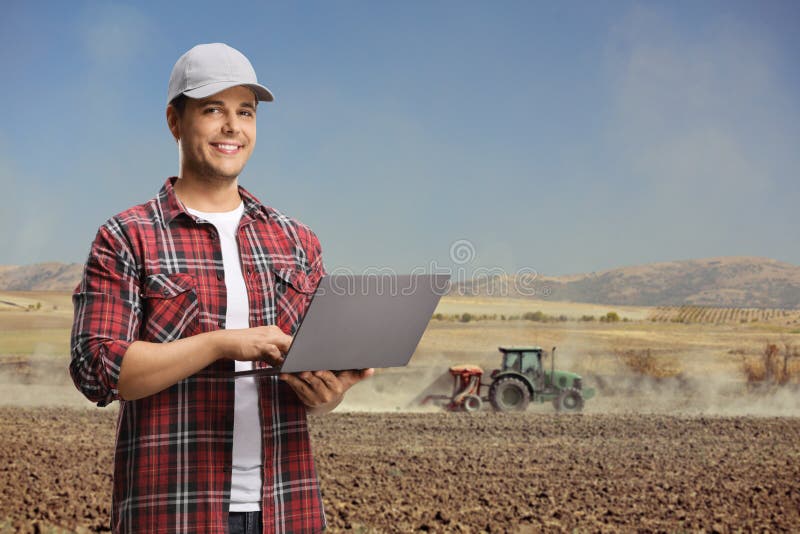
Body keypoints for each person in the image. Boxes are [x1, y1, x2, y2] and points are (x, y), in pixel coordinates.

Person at [69, 42, 373, 533]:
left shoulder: (296, 240)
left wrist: (327, 392)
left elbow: (315, 391)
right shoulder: (127, 236)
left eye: (245, 112)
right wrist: (223, 343)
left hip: (286, 509)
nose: (233, 127)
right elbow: (98, 369)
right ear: (175, 121)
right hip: (172, 511)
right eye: (214, 109)